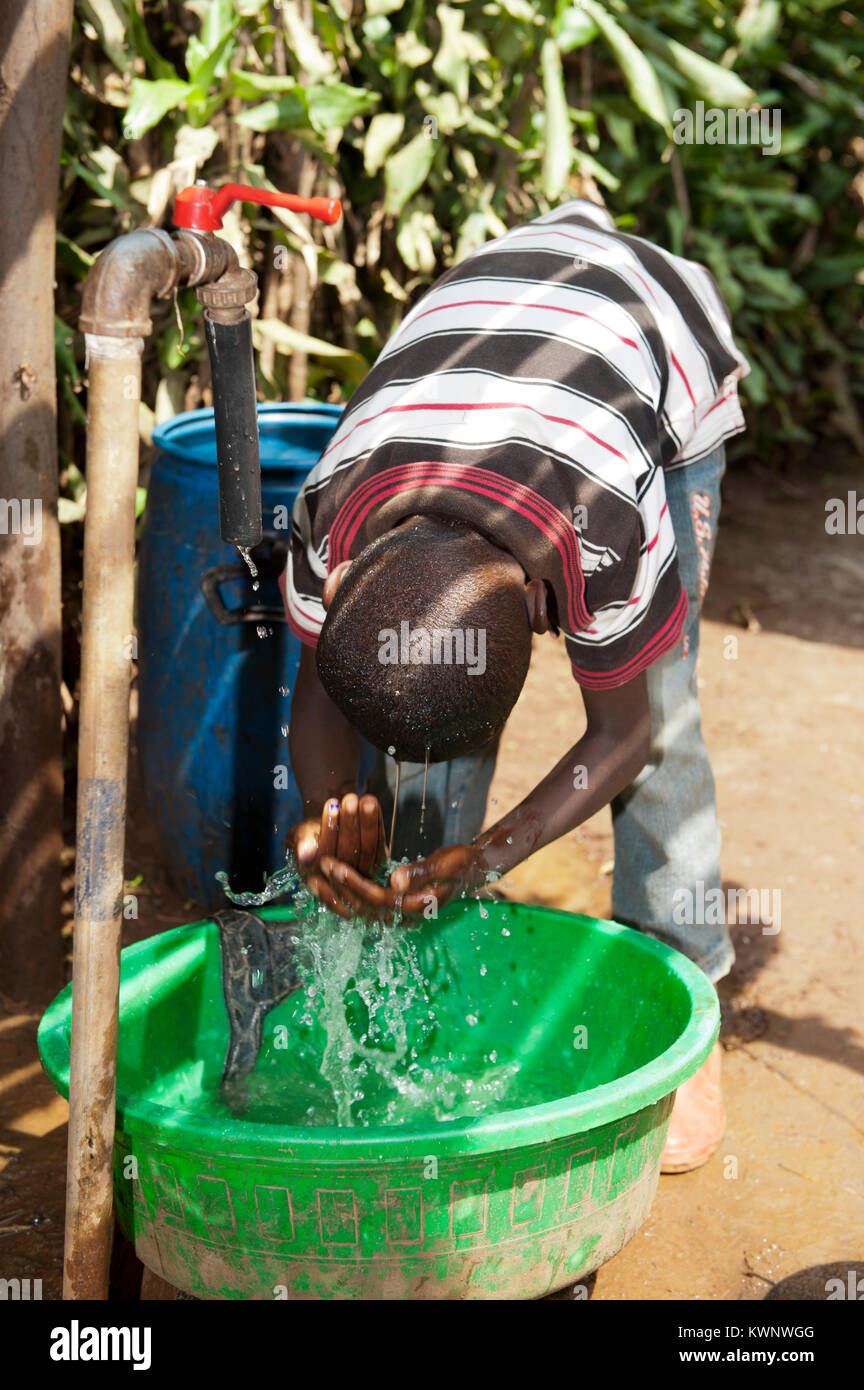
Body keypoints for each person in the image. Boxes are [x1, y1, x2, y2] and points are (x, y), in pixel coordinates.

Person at [279, 198, 747, 1171]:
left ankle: (691, 997)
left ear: (544, 613)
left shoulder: (608, 526)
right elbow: (319, 690)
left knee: (669, 713)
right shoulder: (333, 513)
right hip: (476, 355)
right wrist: (326, 816)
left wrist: (492, 852)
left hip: (655, 353)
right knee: (422, 765)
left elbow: (625, 735)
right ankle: (419, 973)